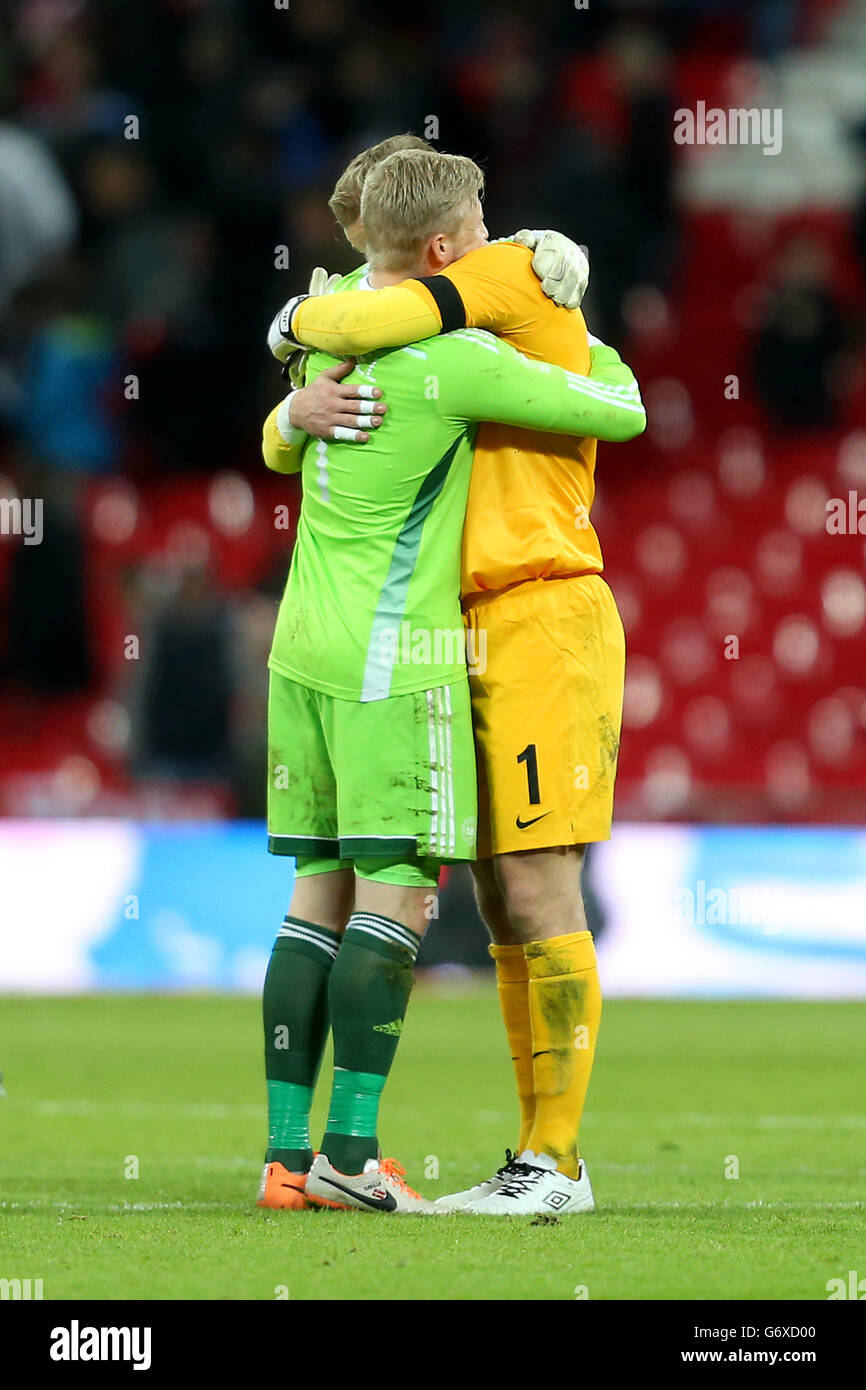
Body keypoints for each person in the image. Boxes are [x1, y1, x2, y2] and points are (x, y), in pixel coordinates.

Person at [258, 149, 645, 1215]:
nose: (484, 229)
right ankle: (531, 1156)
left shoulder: (511, 272)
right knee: (491, 896)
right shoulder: (443, 307)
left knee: (534, 887)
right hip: (444, 629)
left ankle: (555, 1162)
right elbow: (356, 316)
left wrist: (293, 332)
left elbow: (363, 317)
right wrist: (293, 395)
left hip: (535, 606)